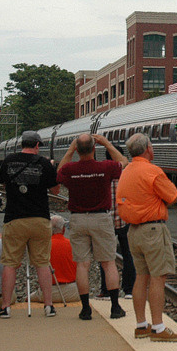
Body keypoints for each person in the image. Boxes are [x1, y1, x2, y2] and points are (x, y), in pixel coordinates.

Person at [115, 133, 177, 342]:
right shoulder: (153, 171)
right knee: (158, 277)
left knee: (141, 277)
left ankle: (141, 325)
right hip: (153, 230)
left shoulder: (126, 171)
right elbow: (174, 197)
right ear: (147, 149)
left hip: (133, 231)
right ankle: (158, 328)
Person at [56, 133, 127, 320]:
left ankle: (85, 309)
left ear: (77, 150)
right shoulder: (106, 167)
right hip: (101, 219)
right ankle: (115, 307)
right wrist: (107, 143)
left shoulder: (71, 169)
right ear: (94, 149)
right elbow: (125, 163)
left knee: (82, 264)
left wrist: (70, 150)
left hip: (78, 219)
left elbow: (58, 173)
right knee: (108, 263)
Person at [0, 130, 59, 318]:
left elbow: (3, 185)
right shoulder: (45, 163)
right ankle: (49, 306)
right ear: (37, 145)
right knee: (42, 263)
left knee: (10, 263)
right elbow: (55, 190)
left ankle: (5, 307)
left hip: (15, 218)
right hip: (39, 218)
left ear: (22, 143)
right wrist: (51, 169)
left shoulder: (8, 161)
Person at [28, 215, 80, 304]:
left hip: (48, 292)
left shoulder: (43, 246)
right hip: (73, 292)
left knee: (28, 298)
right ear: (63, 229)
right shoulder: (72, 245)